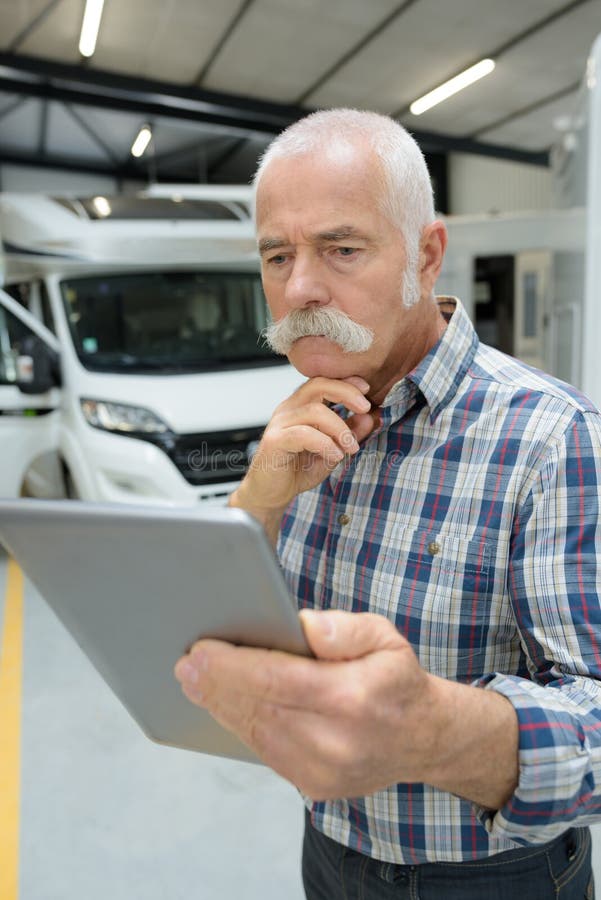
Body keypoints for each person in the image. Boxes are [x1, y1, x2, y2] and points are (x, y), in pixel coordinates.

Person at [174, 109, 601, 899]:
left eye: (341, 248)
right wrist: (256, 500)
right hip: (327, 846)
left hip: (488, 876)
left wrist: (428, 731)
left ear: (426, 255)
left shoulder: (549, 436)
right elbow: (206, 639)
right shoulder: (301, 419)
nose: (299, 288)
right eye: (277, 255)